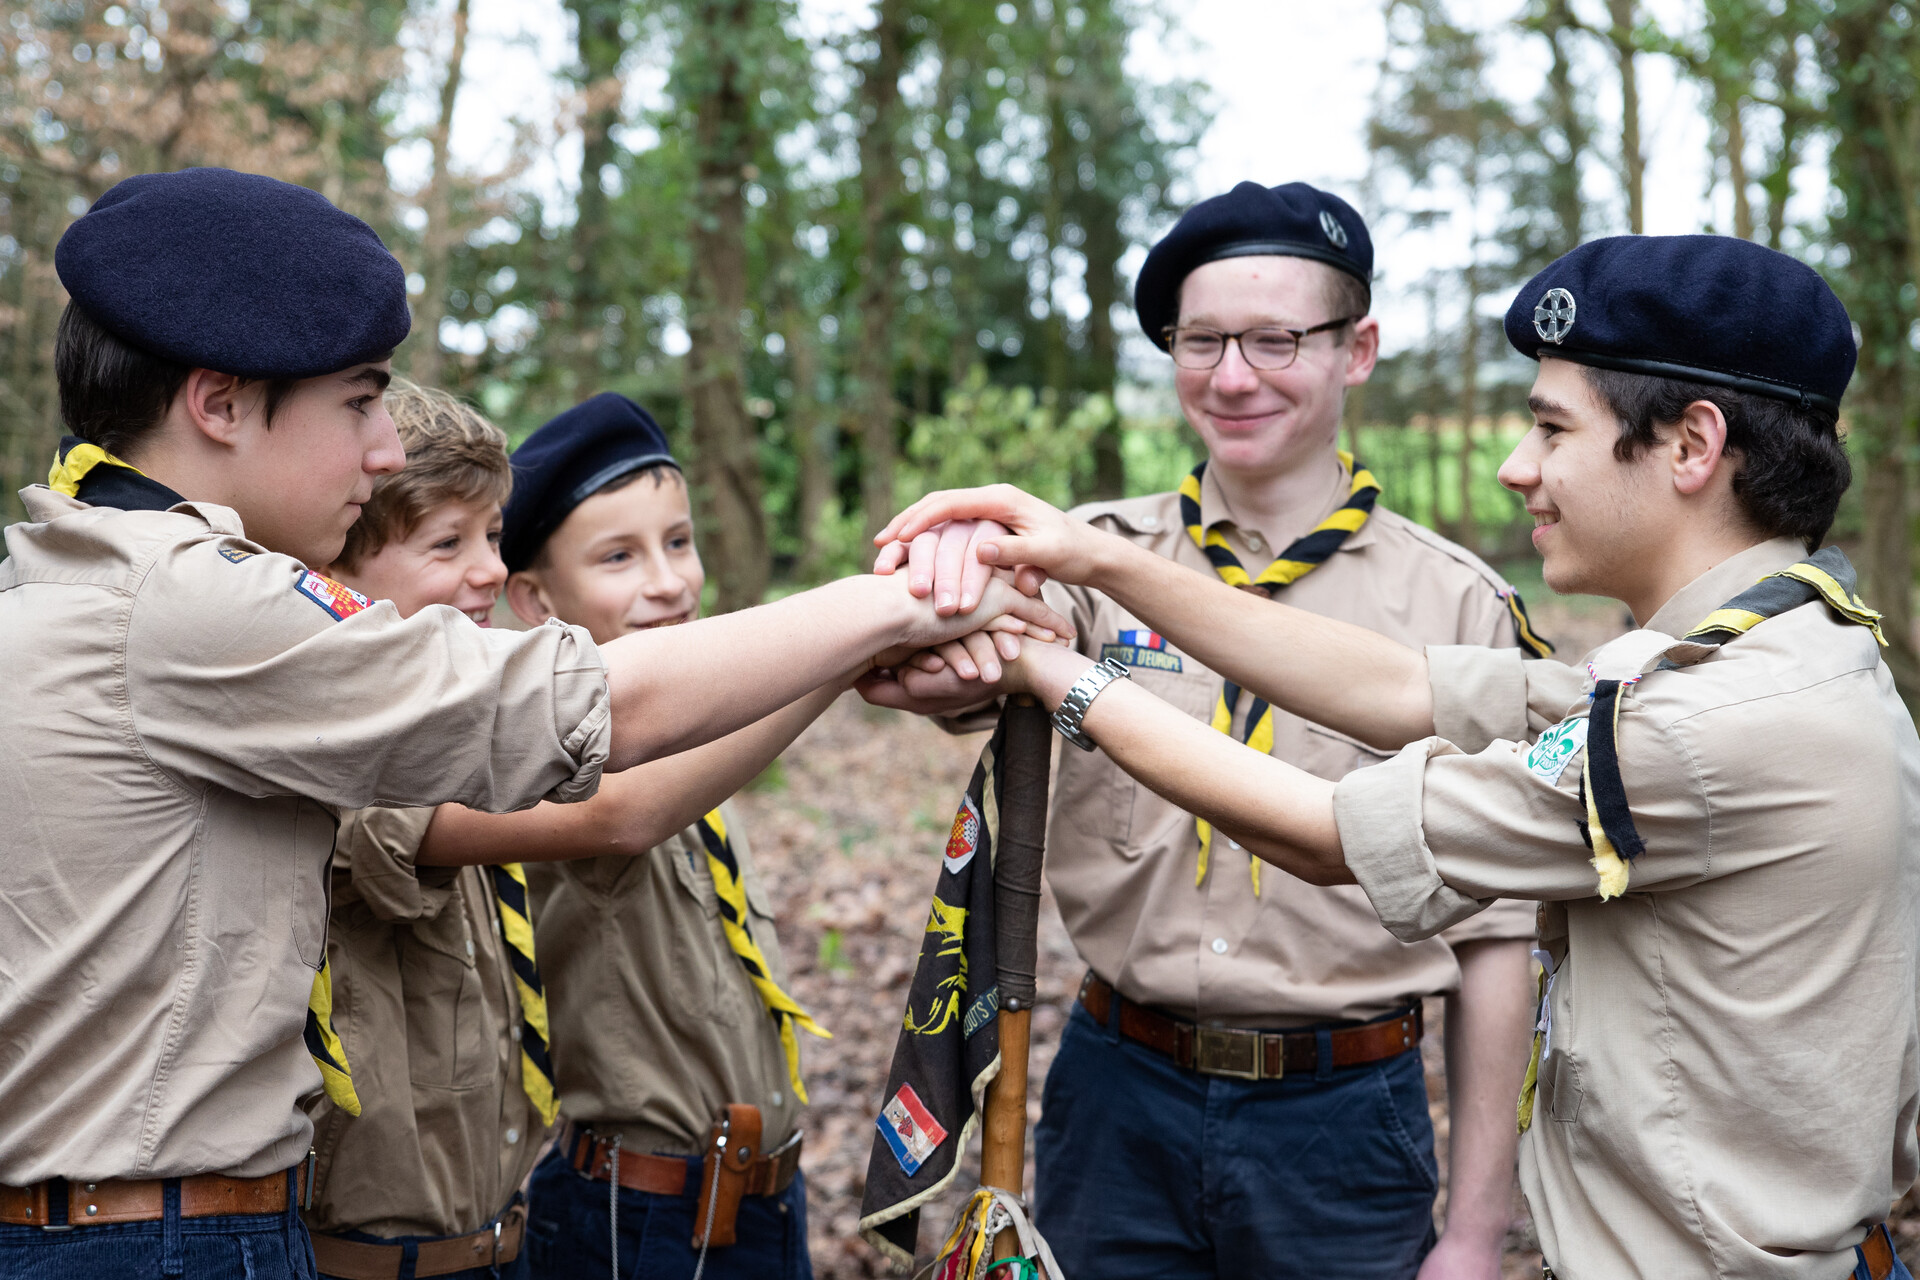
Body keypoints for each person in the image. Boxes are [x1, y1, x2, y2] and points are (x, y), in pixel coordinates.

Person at [0, 167, 1066, 1280]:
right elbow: (592, 712)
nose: (379, 448)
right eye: (359, 401)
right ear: (217, 403)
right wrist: (901, 602)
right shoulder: (184, 603)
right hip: (153, 1239)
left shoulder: (80, 576)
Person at [874, 234, 1920, 1279]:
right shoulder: (1758, 657)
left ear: (1693, 445)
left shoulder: (1705, 721)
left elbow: (1333, 836)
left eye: (1552, 427)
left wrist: (1062, 679)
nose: (1517, 466)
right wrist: (1102, 561)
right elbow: (1403, 688)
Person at [867, 181, 1540, 1279]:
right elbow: (942, 664)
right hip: (1116, 1092)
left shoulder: (1460, 609)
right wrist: (944, 571)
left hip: (1346, 1117)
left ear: (1357, 347)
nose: (1232, 377)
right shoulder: (1084, 559)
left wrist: (1472, 1232)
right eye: (1202, 340)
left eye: (1276, 339)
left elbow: (1497, 935)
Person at [471, 396, 830, 1280]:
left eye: (679, 541)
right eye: (619, 557)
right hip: (636, 1221)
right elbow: (634, 807)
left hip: (763, 1201)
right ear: (535, 599)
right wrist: (846, 654)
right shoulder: (542, 757)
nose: (668, 580)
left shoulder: (699, 736)